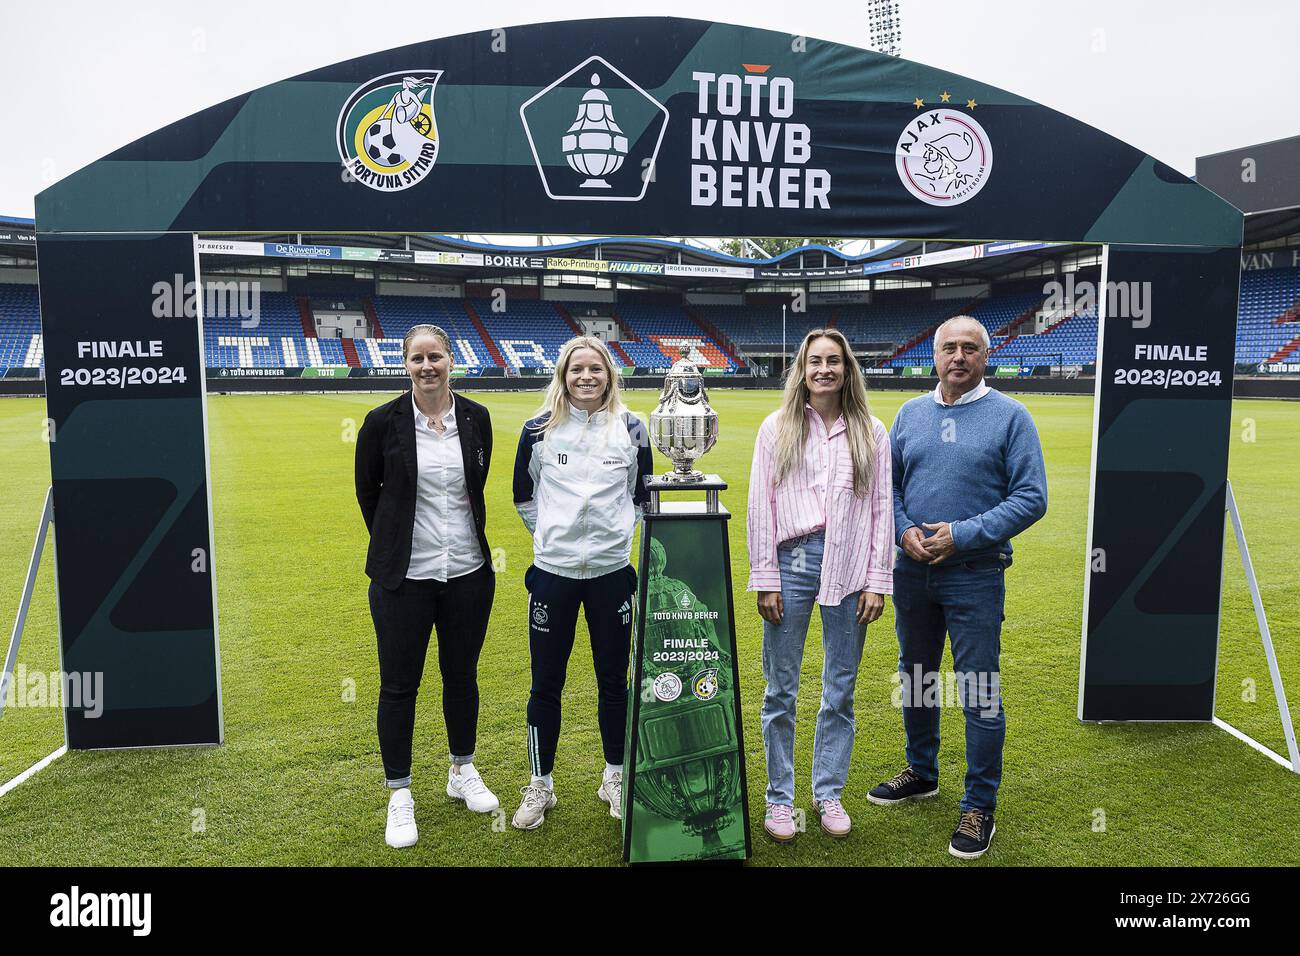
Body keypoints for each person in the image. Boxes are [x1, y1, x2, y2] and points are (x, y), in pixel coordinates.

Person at [869, 315, 1047, 860]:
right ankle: (922, 772)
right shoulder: (910, 413)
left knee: (978, 690)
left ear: (985, 357)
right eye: (949, 347)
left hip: (974, 574)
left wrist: (963, 535)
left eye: (970, 348)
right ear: (936, 355)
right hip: (913, 573)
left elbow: (1031, 497)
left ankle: (979, 804)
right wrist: (903, 532)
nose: (958, 356)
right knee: (917, 675)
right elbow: (888, 486)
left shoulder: (1011, 417)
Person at [354, 323, 499, 849]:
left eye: (435, 356)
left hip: (466, 572)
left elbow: (475, 487)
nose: (426, 366)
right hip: (402, 580)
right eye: (417, 359)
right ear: (405, 365)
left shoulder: (477, 419)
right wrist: (396, 544)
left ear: (450, 361)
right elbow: (369, 492)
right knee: (398, 686)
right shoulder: (380, 422)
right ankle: (400, 794)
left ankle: (462, 771)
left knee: (461, 677)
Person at [747, 328, 893, 843]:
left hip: (849, 565)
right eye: (815, 362)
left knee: (840, 690)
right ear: (802, 369)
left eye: (834, 361)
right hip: (793, 562)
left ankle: (828, 792)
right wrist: (766, 577)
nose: (824, 370)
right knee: (780, 689)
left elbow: (880, 510)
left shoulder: (871, 431)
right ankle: (780, 799)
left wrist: (878, 581)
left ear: (847, 369)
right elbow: (759, 506)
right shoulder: (777, 427)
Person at [510, 335, 654, 830]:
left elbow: (641, 499)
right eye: (576, 370)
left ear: (609, 375)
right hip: (554, 574)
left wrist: (612, 542)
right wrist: (557, 539)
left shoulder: (633, 429)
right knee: (545, 684)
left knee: (614, 681)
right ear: (562, 376)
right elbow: (523, 497)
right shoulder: (536, 430)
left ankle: (614, 775)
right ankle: (540, 784)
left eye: (595, 369)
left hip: (612, 576)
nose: (586, 377)